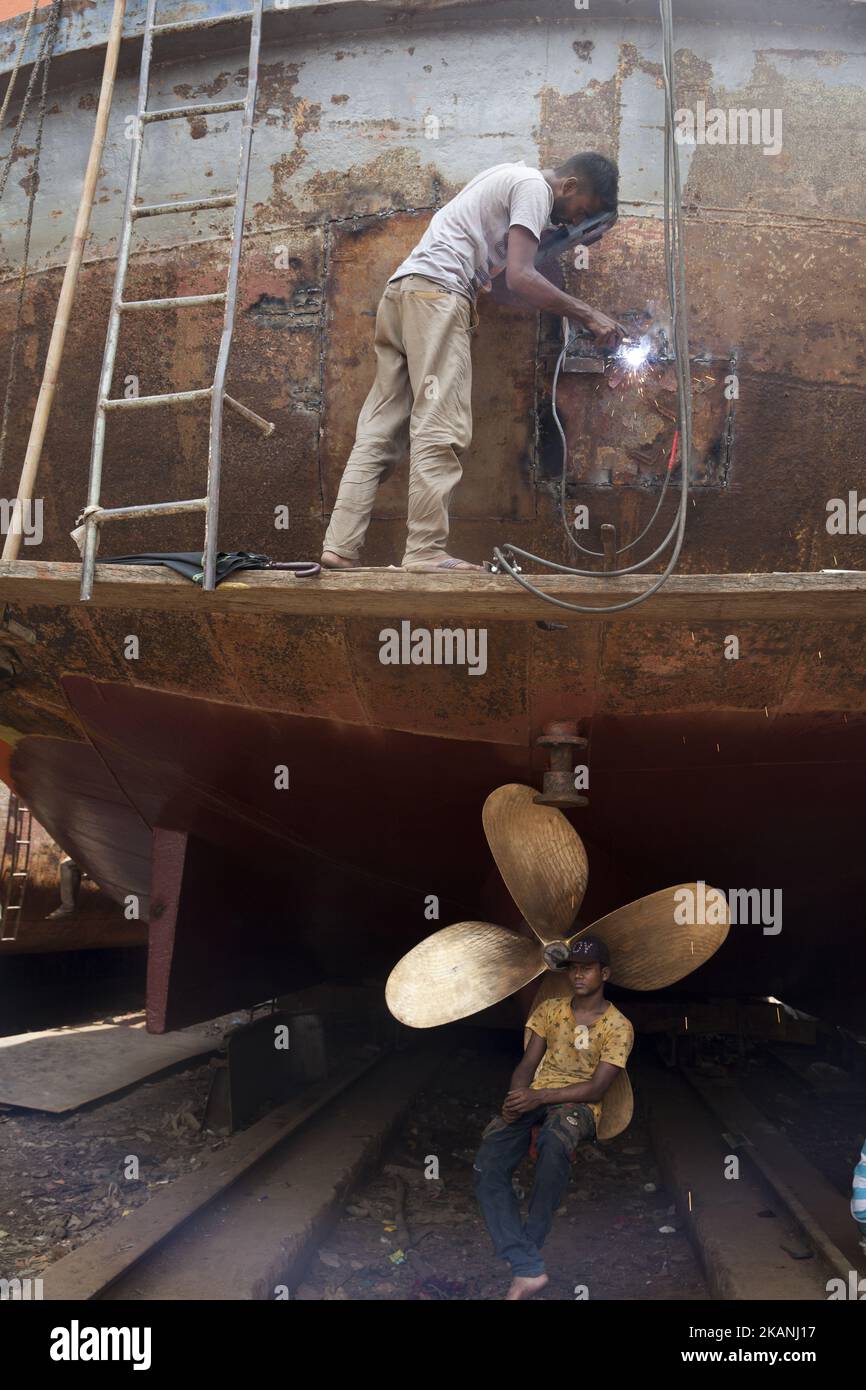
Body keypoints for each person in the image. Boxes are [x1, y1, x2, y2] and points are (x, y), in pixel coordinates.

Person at [321, 153, 625, 574]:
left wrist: (567, 238)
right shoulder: (535, 188)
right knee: (440, 423)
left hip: (403, 294)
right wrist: (588, 314)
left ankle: (339, 546)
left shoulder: (505, 176)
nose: (574, 220)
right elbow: (521, 277)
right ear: (570, 186)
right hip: (438, 297)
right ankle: (425, 551)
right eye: (581, 210)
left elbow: (507, 270)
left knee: (380, 428)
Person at [473, 934, 634, 1299]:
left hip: (578, 1105)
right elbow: (527, 1064)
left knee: (554, 1142)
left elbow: (595, 1089)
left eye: (588, 969)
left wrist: (538, 1097)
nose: (579, 976)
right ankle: (527, 1266)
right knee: (488, 1163)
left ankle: (529, 1248)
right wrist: (516, 1096)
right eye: (573, 969)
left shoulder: (618, 1026)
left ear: (604, 973)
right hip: (536, 1095)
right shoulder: (549, 1010)